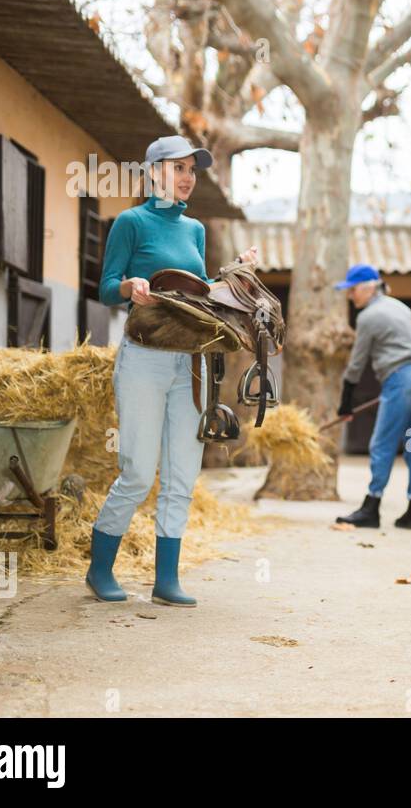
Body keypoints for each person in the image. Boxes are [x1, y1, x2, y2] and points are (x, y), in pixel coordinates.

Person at [85, 135, 257, 607]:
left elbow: (197, 295)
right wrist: (130, 286)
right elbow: (103, 288)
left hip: (193, 362)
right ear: (154, 173)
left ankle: (167, 580)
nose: (187, 178)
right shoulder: (130, 222)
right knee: (138, 472)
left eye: (192, 170)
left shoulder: (196, 230)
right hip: (143, 358)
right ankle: (99, 570)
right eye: (178, 168)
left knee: (183, 473)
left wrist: (235, 276)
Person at [333, 264, 411, 530]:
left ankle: (372, 507)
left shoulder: (368, 316)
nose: (350, 296)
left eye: (353, 290)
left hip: (400, 379)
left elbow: (356, 365)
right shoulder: (399, 307)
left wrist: (345, 403)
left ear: (369, 287)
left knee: (382, 443)